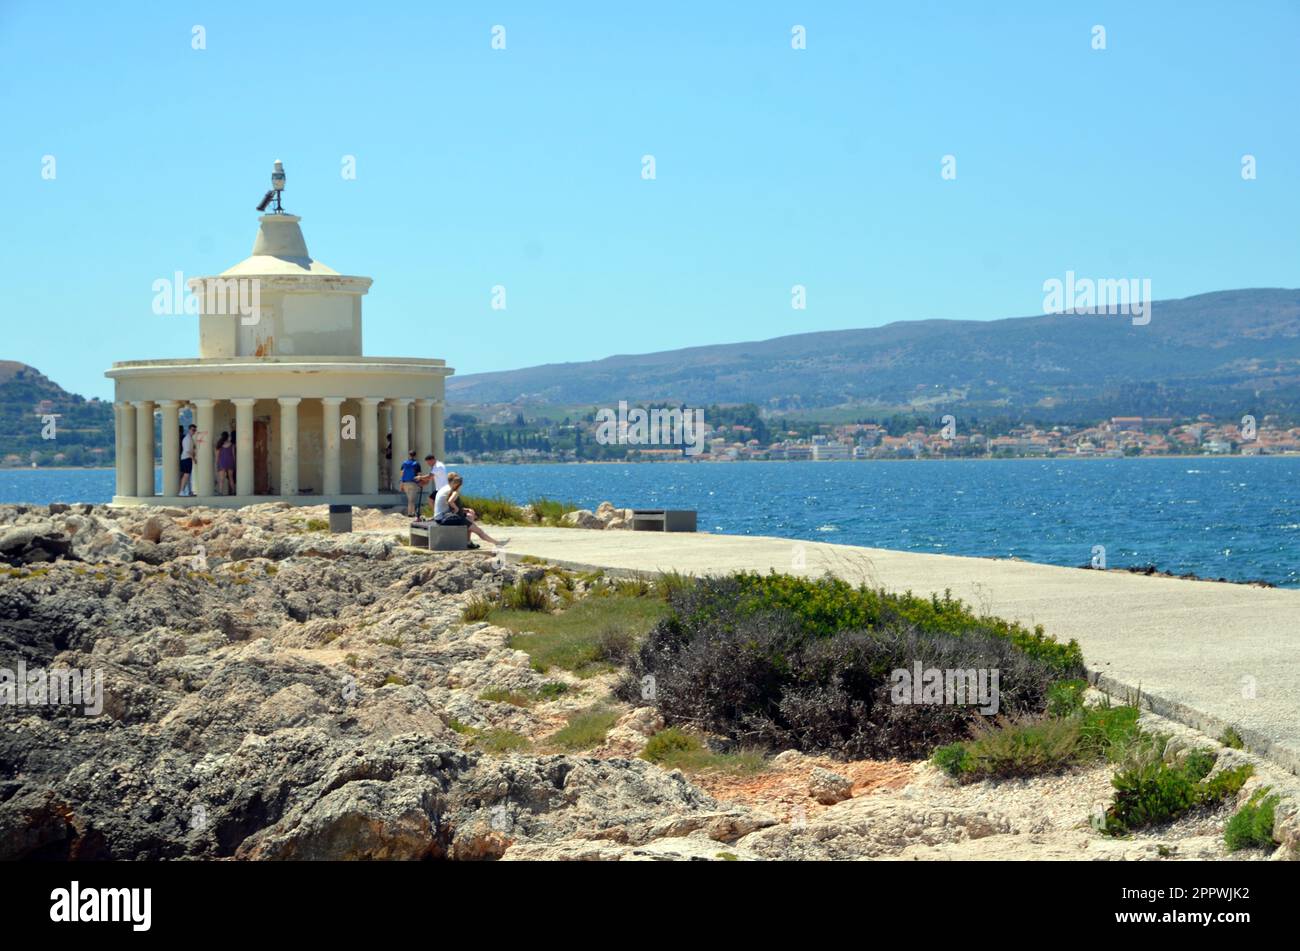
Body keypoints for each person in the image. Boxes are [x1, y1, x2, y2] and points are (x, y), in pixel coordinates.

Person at [433, 472, 507, 548]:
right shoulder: (452, 491)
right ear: (454, 482)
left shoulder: (445, 488)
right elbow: (450, 503)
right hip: (446, 518)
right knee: (479, 531)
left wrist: (465, 510)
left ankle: (468, 541)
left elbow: (450, 506)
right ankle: (497, 543)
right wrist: (457, 508)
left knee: (469, 516)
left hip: (443, 516)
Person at [400, 449, 422, 517]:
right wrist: (420, 482)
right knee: (412, 499)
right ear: (415, 456)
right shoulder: (417, 464)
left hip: (405, 482)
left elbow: (402, 473)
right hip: (413, 482)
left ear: (409, 455)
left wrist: (401, 484)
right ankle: (411, 513)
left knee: (409, 498)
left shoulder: (404, 463)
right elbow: (419, 474)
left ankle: (411, 512)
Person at [179, 424, 197, 496]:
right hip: (186, 458)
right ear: (189, 429)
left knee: (187, 475)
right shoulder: (187, 439)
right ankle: (181, 491)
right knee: (186, 475)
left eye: (195, 430)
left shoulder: (190, 438)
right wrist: (194, 459)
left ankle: (187, 491)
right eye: (193, 430)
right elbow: (187, 451)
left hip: (187, 458)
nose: (194, 431)